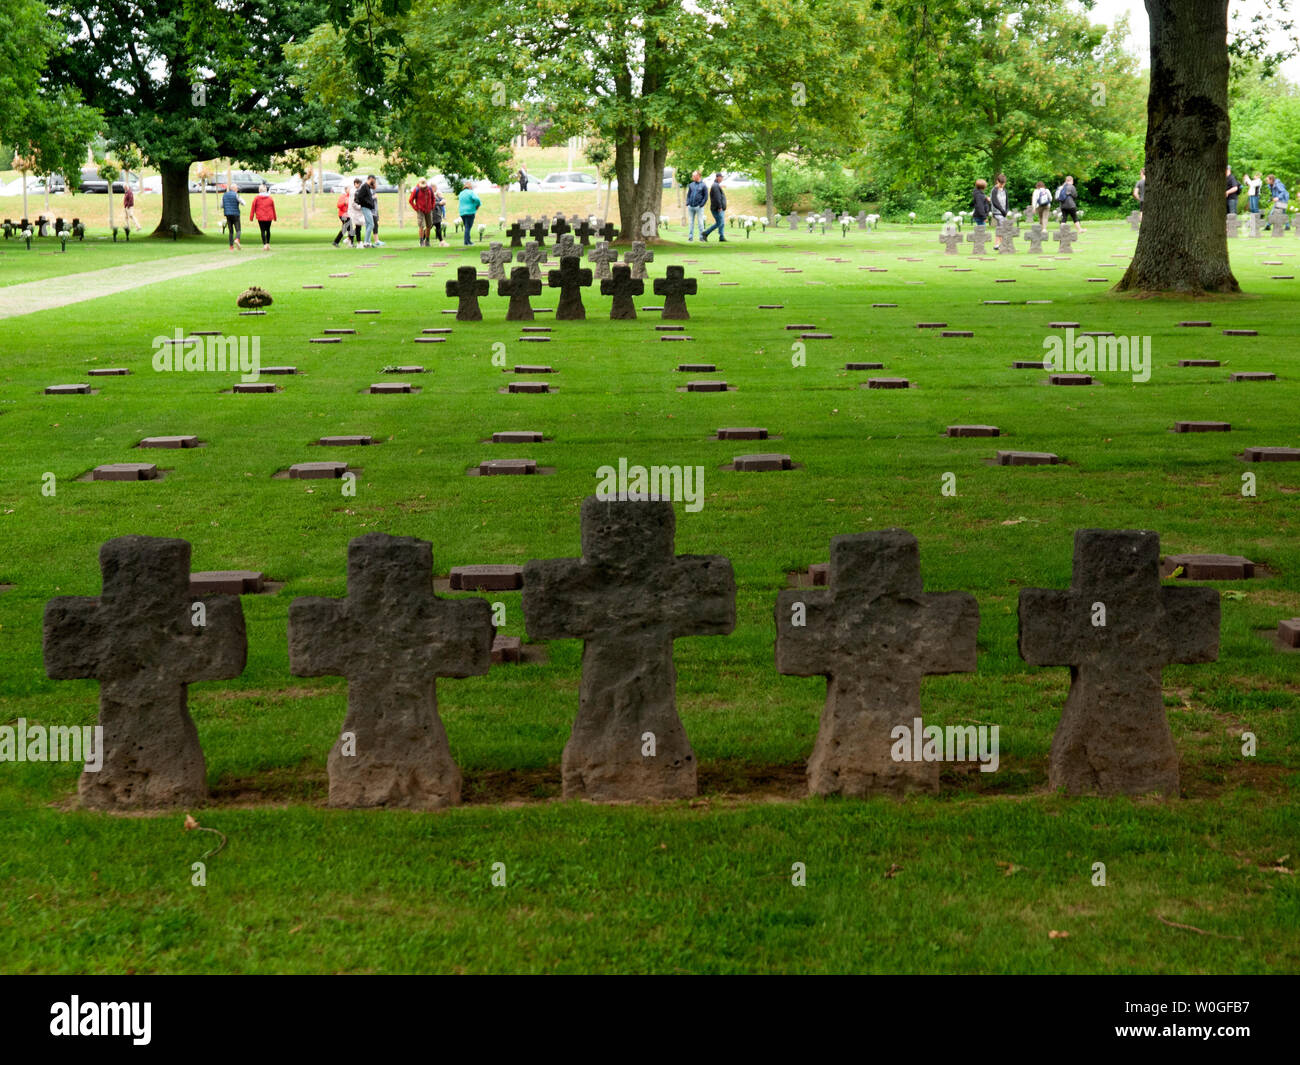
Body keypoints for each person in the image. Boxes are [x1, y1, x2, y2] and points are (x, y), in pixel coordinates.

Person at [409, 177, 436, 247]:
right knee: (421, 226)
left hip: (429, 210)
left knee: (429, 226)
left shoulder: (429, 189)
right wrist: (416, 208)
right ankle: (421, 241)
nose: (423, 187)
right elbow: (410, 200)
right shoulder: (416, 190)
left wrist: (432, 206)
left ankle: (427, 241)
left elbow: (433, 198)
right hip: (420, 210)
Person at [699, 173, 727, 242]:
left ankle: (721, 237)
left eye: (722, 177)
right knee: (719, 223)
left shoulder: (716, 185)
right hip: (717, 208)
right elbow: (717, 198)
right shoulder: (715, 186)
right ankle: (705, 233)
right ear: (717, 177)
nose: (722, 179)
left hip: (719, 208)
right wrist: (720, 207)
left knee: (722, 223)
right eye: (721, 177)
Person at [249, 184, 277, 250]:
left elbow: (253, 207)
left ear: (259, 190)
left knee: (262, 230)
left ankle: (264, 245)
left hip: (260, 216)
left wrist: (251, 217)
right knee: (268, 230)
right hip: (269, 217)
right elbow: (273, 208)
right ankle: (268, 244)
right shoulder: (270, 198)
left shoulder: (256, 198)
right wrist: (275, 217)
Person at [354, 174, 378, 246]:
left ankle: (368, 242)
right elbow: (360, 197)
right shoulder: (364, 186)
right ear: (370, 179)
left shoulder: (367, 187)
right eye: (373, 180)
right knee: (371, 224)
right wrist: (366, 203)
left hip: (368, 207)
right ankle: (366, 242)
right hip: (365, 207)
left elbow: (374, 188)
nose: (374, 182)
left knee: (368, 224)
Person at [685, 170, 708, 241]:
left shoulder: (703, 185)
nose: (692, 177)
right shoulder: (691, 185)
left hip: (699, 207)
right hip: (691, 207)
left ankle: (701, 237)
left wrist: (701, 205)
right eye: (692, 176)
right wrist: (687, 202)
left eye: (694, 176)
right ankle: (690, 237)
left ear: (698, 176)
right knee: (691, 222)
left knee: (700, 223)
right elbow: (688, 195)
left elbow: (706, 197)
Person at [221, 184, 243, 250]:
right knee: (238, 230)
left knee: (230, 231)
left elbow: (221, 205)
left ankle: (231, 246)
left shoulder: (224, 195)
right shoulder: (236, 195)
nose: (237, 190)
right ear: (234, 189)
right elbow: (243, 202)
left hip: (228, 215)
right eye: (236, 188)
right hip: (235, 214)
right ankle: (237, 239)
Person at [989, 173, 1009, 247]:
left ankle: (996, 244)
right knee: (1002, 226)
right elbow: (995, 202)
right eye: (1000, 184)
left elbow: (1007, 201)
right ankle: (1004, 244)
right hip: (997, 212)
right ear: (997, 181)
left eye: (1003, 184)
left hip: (1003, 212)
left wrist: (1006, 210)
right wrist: (1002, 211)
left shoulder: (1004, 190)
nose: (1002, 185)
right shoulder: (994, 190)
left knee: (999, 227)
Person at [367, 175, 386, 247]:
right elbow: (366, 199)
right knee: (371, 226)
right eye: (375, 183)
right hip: (370, 212)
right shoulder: (369, 190)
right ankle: (368, 241)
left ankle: (376, 240)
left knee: (375, 225)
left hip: (374, 211)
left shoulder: (374, 191)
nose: (376, 184)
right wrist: (373, 197)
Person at [346, 179, 364, 248]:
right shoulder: (354, 191)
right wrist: (360, 207)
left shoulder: (354, 190)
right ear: (355, 183)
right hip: (355, 212)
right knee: (358, 227)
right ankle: (358, 242)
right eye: (359, 184)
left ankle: (349, 239)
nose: (359, 186)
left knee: (358, 227)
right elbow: (354, 203)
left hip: (354, 211)